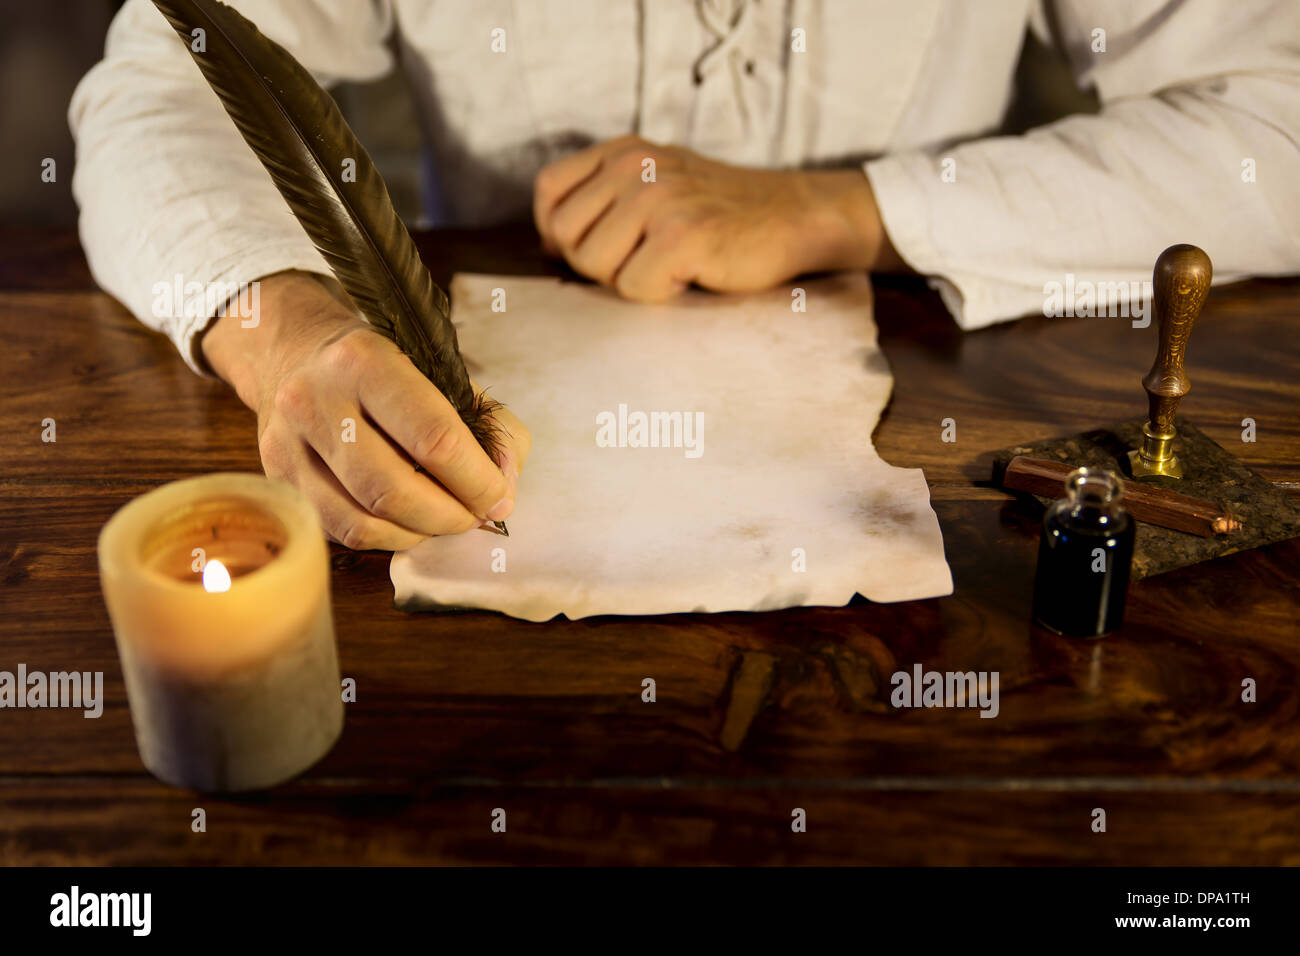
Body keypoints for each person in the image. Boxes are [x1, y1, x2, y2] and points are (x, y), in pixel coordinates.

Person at [69, 0, 1300, 550]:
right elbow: (164, 74)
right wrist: (279, 329)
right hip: (489, 369)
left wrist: (848, 207)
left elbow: (1280, 120)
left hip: (928, 402)